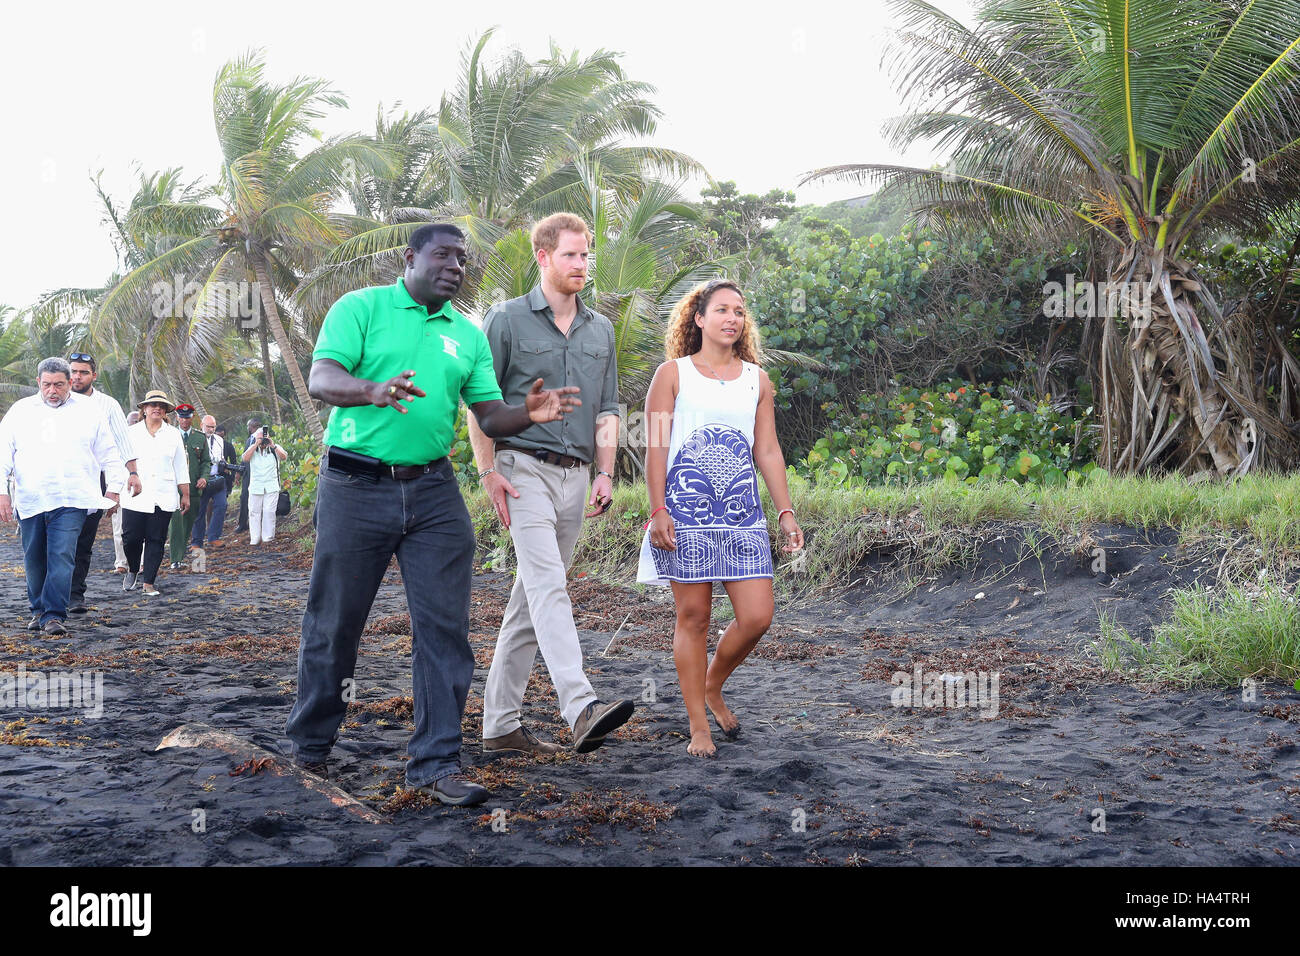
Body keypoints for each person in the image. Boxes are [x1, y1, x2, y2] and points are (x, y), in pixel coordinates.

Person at [285, 222, 581, 807]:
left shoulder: (466, 335)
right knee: (335, 623)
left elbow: (489, 416)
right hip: (354, 485)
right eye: (442, 255)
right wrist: (370, 390)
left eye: (461, 259)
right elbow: (322, 378)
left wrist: (529, 411)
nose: (454, 266)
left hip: (433, 492)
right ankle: (311, 747)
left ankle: (436, 761)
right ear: (410, 257)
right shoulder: (361, 308)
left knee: (444, 631)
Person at [471, 213, 634, 757]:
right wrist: (487, 470)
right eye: (571, 255)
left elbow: (608, 408)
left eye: (587, 255)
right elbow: (479, 402)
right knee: (547, 585)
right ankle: (580, 705)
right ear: (542, 257)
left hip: (577, 476)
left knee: (530, 599)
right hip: (522, 470)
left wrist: (606, 471)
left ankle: (499, 726)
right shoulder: (507, 320)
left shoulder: (601, 329)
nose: (582, 264)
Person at [638, 280, 804, 757]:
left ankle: (712, 686)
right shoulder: (672, 374)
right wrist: (657, 510)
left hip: (741, 514)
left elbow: (767, 450)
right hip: (683, 513)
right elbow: (655, 447)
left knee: (757, 617)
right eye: (723, 310)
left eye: (740, 311)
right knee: (694, 617)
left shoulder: (758, 379)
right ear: (699, 318)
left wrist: (785, 512)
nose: (733, 318)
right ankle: (698, 726)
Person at [0, 358, 124, 634]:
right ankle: (38, 610)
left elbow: (109, 452)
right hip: (32, 498)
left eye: (58, 384)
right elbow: (3, 454)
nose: (52, 391)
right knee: (34, 558)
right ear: (38, 383)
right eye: (46, 385)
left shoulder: (89, 411)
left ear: (70, 383)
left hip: (73, 498)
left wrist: (114, 487)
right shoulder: (21, 411)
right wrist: (2, 494)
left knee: (62, 555)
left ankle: (54, 615)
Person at [66, 352, 141, 613]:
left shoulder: (107, 404)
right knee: (57, 541)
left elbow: (122, 442)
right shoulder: (54, 402)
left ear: (93, 376)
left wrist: (132, 473)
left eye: (83, 372)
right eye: (73, 371)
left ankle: (75, 595)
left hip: (95, 481)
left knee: (83, 540)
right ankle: (54, 593)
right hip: (61, 479)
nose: (77, 376)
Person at [121, 390, 190, 597]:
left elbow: (180, 466)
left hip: (164, 494)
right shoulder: (131, 433)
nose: (157, 408)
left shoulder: (173, 434)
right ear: (144, 409)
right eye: (152, 405)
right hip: (135, 495)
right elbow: (120, 462)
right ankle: (133, 569)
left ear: (166, 410)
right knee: (130, 538)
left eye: (161, 406)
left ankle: (149, 582)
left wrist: (185, 494)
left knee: (156, 539)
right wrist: (114, 493)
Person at [166, 403, 210, 569]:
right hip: (173, 487)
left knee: (188, 523)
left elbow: (206, 461)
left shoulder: (200, 437)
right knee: (176, 522)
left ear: (192, 418)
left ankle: (179, 554)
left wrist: (204, 478)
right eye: (182, 417)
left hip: (193, 488)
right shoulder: (170, 435)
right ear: (177, 417)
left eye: (188, 417)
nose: (185, 420)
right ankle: (175, 558)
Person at [191, 416, 237, 549]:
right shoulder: (195, 438)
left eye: (213, 427)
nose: (211, 429)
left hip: (217, 479)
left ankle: (213, 537)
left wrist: (225, 465)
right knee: (199, 511)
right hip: (201, 480)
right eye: (208, 426)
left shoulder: (219, 440)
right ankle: (196, 541)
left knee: (222, 506)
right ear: (201, 425)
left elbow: (221, 457)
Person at [241, 425, 287, 546]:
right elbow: (245, 458)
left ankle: (268, 538)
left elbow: (284, 456)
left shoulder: (273, 448)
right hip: (256, 486)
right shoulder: (253, 448)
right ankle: (255, 539)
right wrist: (256, 444)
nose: (262, 441)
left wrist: (273, 445)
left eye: (264, 438)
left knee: (269, 512)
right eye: (259, 438)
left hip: (271, 485)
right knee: (254, 512)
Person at [234, 416, 261, 535]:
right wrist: (239, 473)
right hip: (247, 474)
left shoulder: (261, 439)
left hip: (258, 475)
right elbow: (245, 458)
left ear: (252, 427)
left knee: (257, 500)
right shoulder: (248, 440)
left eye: (249, 426)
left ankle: (257, 524)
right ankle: (242, 524)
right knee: (244, 498)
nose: (248, 428)